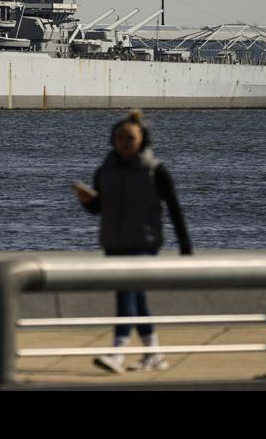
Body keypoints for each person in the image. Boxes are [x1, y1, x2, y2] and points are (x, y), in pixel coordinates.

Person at [73, 109, 193, 373]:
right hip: (114, 243)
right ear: (112, 140)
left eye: (130, 137)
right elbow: (99, 209)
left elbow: (174, 208)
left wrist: (186, 247)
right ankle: (155, 355)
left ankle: (117, 352)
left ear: (143, 139)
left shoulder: (156, 170)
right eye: (120, 137)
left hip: (143, 243)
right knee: (136, 299)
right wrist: (87, 202)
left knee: (126, 293)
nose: (124, 142)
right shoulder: (104, 171)